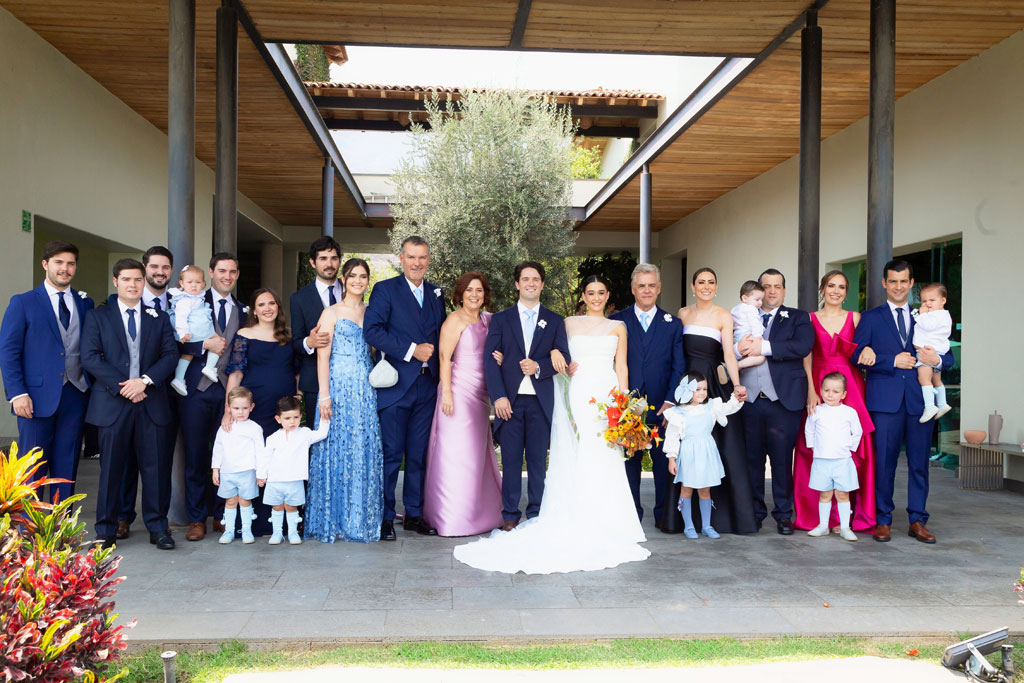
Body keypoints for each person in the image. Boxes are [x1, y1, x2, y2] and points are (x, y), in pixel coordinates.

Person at [455, 274, 649, 574]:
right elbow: (556, 349)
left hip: (608, 395)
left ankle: (610, 520)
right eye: (590, 292)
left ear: (608, 294)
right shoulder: (568, 322)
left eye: (601, 292)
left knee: (606, 456)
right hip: (579, 392)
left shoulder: (618, 327)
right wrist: (554, 353)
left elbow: (621, 365)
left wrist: (624, 405)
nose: (596, 297)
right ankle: (557, 513)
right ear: (582, 296)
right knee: (576, 453)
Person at [852, 259, 955, 544]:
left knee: (919, 463)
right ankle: (882, 519)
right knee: (884, 463)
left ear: (911, 284)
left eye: (904, 281)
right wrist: (889, 360)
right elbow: (855, 353)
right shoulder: (870, 317)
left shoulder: (928, 314)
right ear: (885, 283)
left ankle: (917, 519)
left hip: (920, 402)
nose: (898, 286)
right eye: (893, 281)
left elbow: (947, 353)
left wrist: (939, 360)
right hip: (884, 402)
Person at [80, 258, 178, 549]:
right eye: (126, 280)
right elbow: (90, 357)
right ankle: (106, 530)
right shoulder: (99, 316)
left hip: (151, 401)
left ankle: (158, 528)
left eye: (137, 279)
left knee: (156, 469)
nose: (133, 285)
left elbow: (170, 355)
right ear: (116, 282)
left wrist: (144, 381)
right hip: (113, 403)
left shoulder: (157, 317)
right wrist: (126, 386)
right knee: (112, 470)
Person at [363, 236, 446, 540]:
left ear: (427, 259)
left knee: (418, 455)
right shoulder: (386, 290)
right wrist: (412, 349)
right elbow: (372, 331)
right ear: (401, 258)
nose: (417, 263)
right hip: (396, 386)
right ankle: (385, 518)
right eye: (411, 257)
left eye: (422, 257)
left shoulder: (437, 293)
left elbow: (443, 333)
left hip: (427, 386)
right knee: (390, 455)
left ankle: (414, 513)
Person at [0, 240, 93, 503]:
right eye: (59, 263)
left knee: (67, 467)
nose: (65, 269)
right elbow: (8, 351)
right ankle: (28, 531)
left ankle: (60, 529)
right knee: (32, 469)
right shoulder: (23, 302)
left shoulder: (84, 304)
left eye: (70, 263)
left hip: (76, 394)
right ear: (45, 264)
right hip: (34, 399)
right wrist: (16, 393)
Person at [482, 261, 571, 531]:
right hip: (509, 401)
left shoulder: (555, 320)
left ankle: (536, 514)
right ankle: (509, 515)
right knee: (509, 462)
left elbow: (564, 357)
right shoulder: (501, 319)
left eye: (536, 279)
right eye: (525, 279)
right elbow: (489, 360)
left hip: (540, 403)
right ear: (517, 284)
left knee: (536, 462)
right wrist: (498, 397)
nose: (531, 283)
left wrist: (540, 367)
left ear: (542, 284)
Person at [306, 257, 384, 543]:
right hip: (337, 386)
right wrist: (323, 395)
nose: (358, 281)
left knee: (362, 447)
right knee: (335, 447)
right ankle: (334, 519)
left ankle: (360, 518)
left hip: (365, 386)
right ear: (343, 279)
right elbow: (322, 357)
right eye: (353, 275)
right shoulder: (331, 313)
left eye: (363, 276)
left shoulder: (373, 311)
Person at [673, 268, 756, 534]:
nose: (706, 286)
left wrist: (736, 385)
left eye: (711, 282)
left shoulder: (723, 315)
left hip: (713, 384)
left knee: (726, 445)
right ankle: (683, 522)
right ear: (693, 286)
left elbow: (729, 355)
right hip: (687, 384)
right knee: (685, 441)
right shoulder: (683, 314)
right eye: (701, 282)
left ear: (716, 287)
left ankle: (723, 520)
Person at [792, 270, 876, 533]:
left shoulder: (856, 317)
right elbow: (806, 355)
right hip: (818, 382)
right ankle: (815, 517)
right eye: (831, 285)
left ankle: (848, 517)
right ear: (822, 289)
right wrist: (810, 389)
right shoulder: (809, 318)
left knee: (854, 449)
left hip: (850, 385)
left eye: (841, 287)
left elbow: (864, 348)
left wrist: (870, 349)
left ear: (846, 292)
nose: (836, 291)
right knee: (812, 448)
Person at [423, 271, 503, 537]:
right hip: (457, 391)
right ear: (461, 293)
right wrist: (446, 392)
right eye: (469, 290)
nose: (474, 295)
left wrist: (500, 357)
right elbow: (444, 358)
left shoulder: (490, 320)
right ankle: (451, 516)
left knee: (478, 455)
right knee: (457, 453)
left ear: (485, 294)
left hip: (481, 395)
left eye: (479, 290)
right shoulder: (453, 320)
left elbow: (495, 351)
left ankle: (481, 511)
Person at [736, 268, 814, 535]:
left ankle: (783, 514)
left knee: (782, 461)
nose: (771, 291)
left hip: (784, 400)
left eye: (777, 286)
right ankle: (755, 514)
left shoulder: (798, 317)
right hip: (749, 400)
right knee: (752, 460)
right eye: (766, 286)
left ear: (784, 289)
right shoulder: (744, 314)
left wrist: (764, 348)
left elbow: (802, 347)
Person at [609, 263, 685, 527]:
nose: (647, 290)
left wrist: (670, 402)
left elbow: (678, 365)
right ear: (633, 289)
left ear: (659, 288)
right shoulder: (617, 321)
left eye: (652, 285)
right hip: (628, 405)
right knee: (630, 463)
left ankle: (665, 516)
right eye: (641, 285)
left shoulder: (673, 324)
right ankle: (631, 516)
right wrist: (620, 403)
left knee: (664, 461)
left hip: (663, 405)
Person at [178, 253, 245, 541]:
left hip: (228, 392)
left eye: (232, 271)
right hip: (195, 389)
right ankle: (196, 518)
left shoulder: (243, 310)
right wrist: (203, 342)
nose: (227, 276)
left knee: (228, 456)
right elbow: (173, 338)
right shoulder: (191, 298)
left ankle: (221, 513)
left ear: (237, 274)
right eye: (221, 271)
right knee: (195, 455)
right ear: (211, 272)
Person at [224, 287, 299, 536]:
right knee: (255, 460)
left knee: (283, 460)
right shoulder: (244, 334)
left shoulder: (287, 337)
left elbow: (296, 372)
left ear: (278, 307)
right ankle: (254, 522)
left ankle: (283, 521)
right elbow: (235, 375)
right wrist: (228, 410)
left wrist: (297, 398)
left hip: (284, 410)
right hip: (255, 408)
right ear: (254, 310)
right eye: (261, 304)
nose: (267, 308)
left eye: (272, 303)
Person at [117, 245, 177, 539]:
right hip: (125, 395)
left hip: (165, 394)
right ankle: (122, 517)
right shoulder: (112, 308)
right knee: (125, 461)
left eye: (166, 267)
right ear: (144, 270)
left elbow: (171, 352)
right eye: (154, 267)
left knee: (157, 463)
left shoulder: (182, 300)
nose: (159, 272)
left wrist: (147, 380)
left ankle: (157, 522)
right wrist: (133, 385)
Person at [663, 372, 744, 539]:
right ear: (686, 391)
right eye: (697, 389)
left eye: (704, 389)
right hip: (688, 454)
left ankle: (707, 525)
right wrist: (672, 458)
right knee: (686, 489)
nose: (702, 393)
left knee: (705, 490)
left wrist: (737, 397)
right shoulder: (678, 413)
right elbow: (672, 436)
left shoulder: (711, 407)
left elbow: (729, 408)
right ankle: (689, 526)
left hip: (706, 453)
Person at [258, 395, 329, 545]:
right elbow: (265, 458)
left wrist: (324, 418)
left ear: (301, 417)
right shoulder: (273, 438)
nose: (292, 421)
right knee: (277, 507)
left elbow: (322, 434)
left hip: (294, 479)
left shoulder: (304, 434)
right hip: (275, 480)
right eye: (287, 418)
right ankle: (277, 533)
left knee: (291, 507)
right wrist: (261, 475)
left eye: (296, 417)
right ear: (278, 419)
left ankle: (293, 532)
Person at [803, 372, 863, 541]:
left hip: (842, 461)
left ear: (843, 394)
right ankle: (823, 525)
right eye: (826, 390)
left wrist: (849, 448)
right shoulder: (817, 411)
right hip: (822, 461)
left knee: (842, 494)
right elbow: (809, 430)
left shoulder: (849, 412)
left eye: (835, 391)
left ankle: (845, 527)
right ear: (821, 391)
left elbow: (857, 432)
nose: (830, 394)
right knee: (825, 494)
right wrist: (814, 448)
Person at [291, 236, 342, 428]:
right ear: (313, 262)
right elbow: (295, 341)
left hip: (349, 378)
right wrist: (309, 342)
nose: (329, 264)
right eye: (323, 259)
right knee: (317, 436)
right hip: (314, 382)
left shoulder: (350, 291)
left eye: (334, 258)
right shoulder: (299, 299)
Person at [211, 386, 263, 545]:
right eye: (236, 408)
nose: (240, 412)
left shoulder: (254, 428)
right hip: (228, 472)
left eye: (245, 408)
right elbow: (218, 448)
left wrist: (261, 473)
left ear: (251, 407)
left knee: (245, 501)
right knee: (231, 501)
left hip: (247, 471)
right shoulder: (224, 428)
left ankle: (246, 530)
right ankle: (229, 530)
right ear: (228, 408)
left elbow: (260, 451)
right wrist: (215, 469)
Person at [167, 265, 220, 395]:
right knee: (215, 341)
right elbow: (180, 317)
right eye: (189, 282)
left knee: (216, 342)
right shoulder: (184, 299)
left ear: (204, 284)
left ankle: (181, 378)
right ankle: (208, 367)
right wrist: (183, 333)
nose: (194, 285)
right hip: (193, 330)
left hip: (200, 327)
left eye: (198, 282)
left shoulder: (198, 296)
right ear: (181, 283)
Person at [913, 282, 953, 423]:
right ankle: (942, 404)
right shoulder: (939, 315)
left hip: (927, 354)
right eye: (924, 301)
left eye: (932, 300)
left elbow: (927, 326)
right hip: (934, 353)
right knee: (936, 380)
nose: (927, 304)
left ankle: (929, 406)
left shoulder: (937, 316)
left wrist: (921, 314)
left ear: (943, 300)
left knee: (923, 379)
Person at [731, 281, 766, 369]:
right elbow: (755, 323)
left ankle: (729, 368)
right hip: (748, 336)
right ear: (745, 298)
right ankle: (737, 366)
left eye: (762, 299)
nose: (760, 303)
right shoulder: (751, 309)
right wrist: (758, 337)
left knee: (743, 355)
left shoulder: (735, 309)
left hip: (737, 337)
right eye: (757, 299)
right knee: (761, 357)